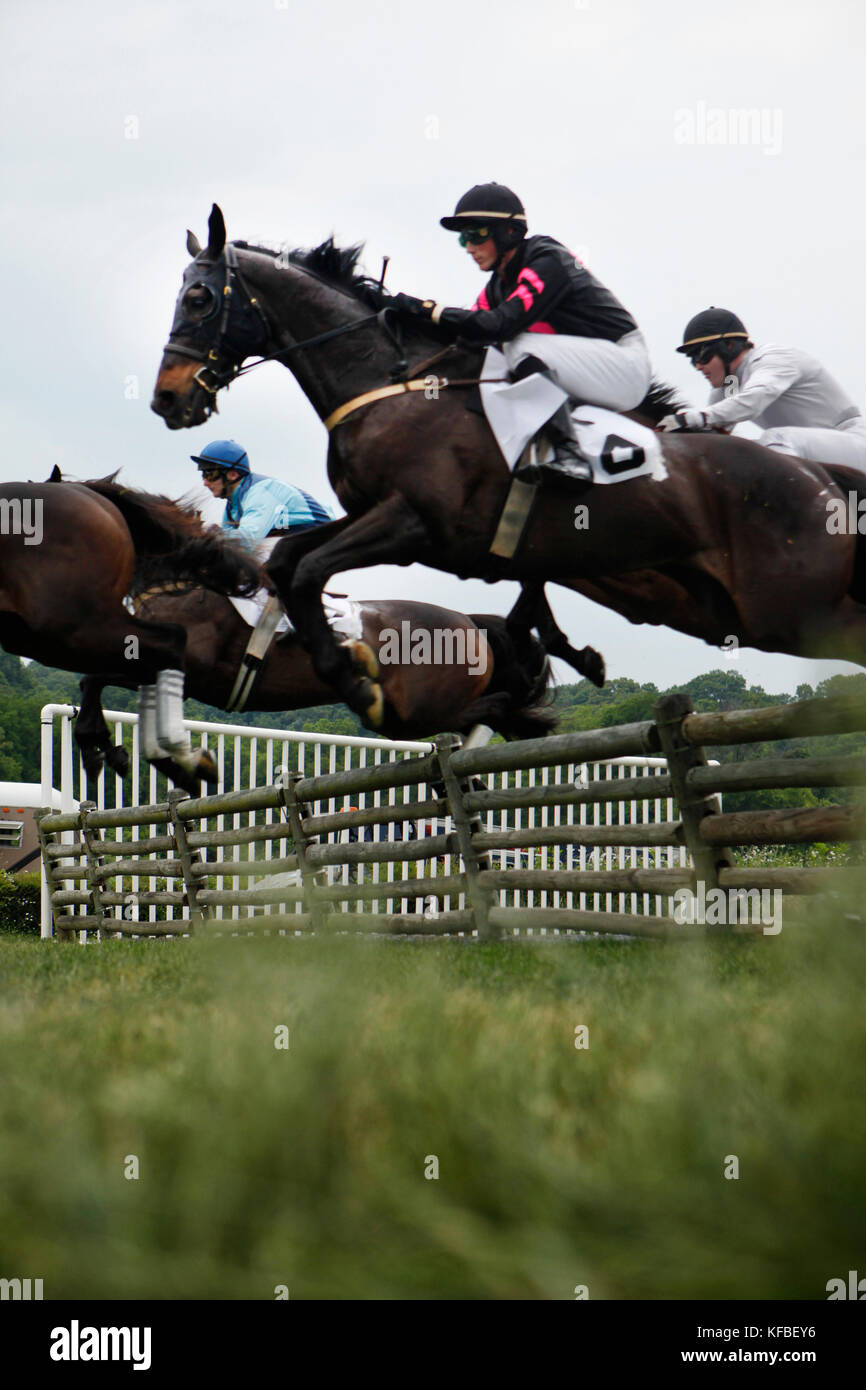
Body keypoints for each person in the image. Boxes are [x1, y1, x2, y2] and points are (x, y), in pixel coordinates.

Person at [387, 182, 652, 488]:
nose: (469, 248)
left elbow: (500, 326)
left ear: (508, 232)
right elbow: (470, 335)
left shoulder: (547, 258)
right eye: (463, 239)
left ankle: (570, 454)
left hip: (625, 365)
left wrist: (428, 309)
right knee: (492, 357)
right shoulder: (496, 286)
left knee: (517, 345)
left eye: (476, 235)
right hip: (589, 368)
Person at [658, 307, 866, 472]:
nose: (698, 366)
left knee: (774, 440)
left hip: (853, 442)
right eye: (692, 359)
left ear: (729, 346)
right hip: (815, 450)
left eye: (701, 354)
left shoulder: (772, 359)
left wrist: (695, 418)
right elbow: (715, 432)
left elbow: (752, 402)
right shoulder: (730, 386)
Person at [191, 439, 334, 550]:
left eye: (210, 474)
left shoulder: (259, 492)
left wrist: (210, 534)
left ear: (233, 474)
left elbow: (246, 542)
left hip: (324, 536)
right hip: (292, 537)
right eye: (203, 475)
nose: (205, 483)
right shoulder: (233, 504)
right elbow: (228, 546)